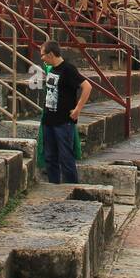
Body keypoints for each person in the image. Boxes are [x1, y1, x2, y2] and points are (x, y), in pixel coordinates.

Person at [40, 41, 90, 184]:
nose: (42, 58)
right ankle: (54, 186)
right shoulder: (52, 69)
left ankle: (71, 188)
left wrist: (78, 110)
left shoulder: (68, 69)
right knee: (50, 157)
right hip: (49, 121)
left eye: (43, 55)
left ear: (50, 54)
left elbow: (87, 87)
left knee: (66, 157)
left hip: (63, 122)